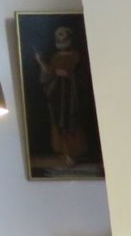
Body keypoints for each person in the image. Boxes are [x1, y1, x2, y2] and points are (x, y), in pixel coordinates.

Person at [34, 23, 96, 168]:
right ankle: (64, 152)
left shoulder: (76, 56)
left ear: (69, 37)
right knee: (59, 123)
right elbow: (50, 72)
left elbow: (81, 75)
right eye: (57, 36)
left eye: (61, 35)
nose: (59, 38)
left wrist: (69, 75)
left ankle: (73, 153)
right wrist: (40, 62)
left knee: (71, 123)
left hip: (71, 96)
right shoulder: (56, 56)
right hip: (57, 95)